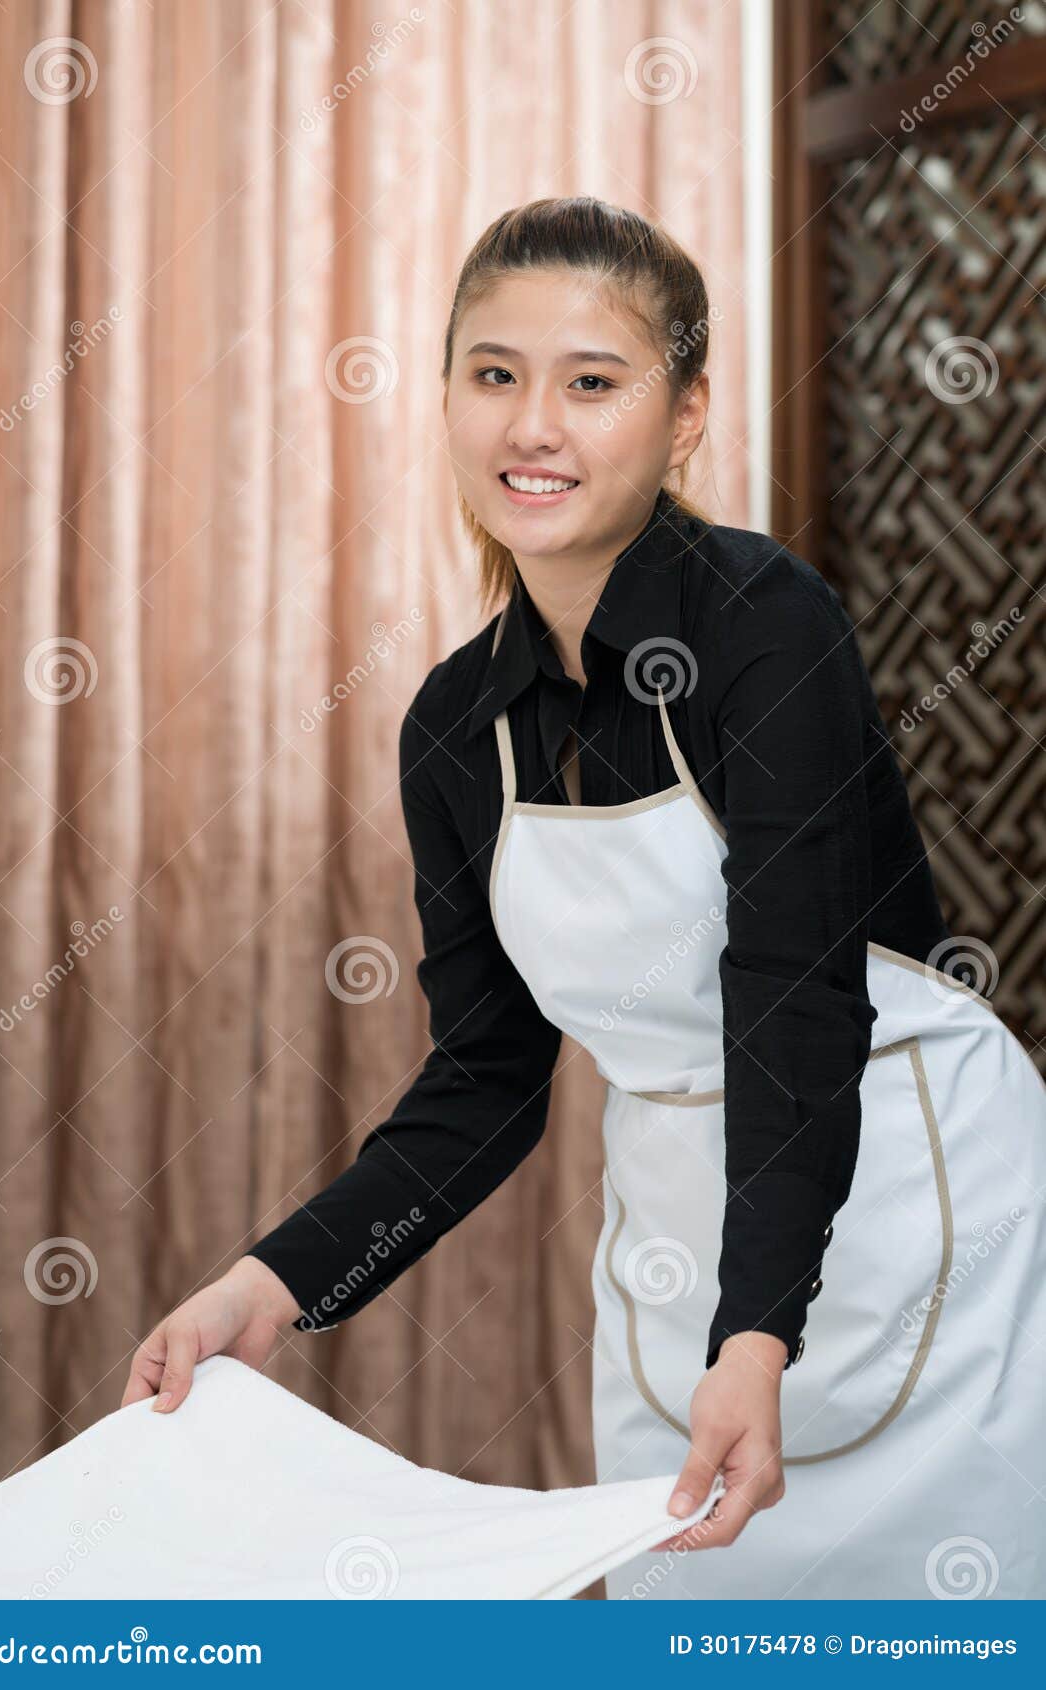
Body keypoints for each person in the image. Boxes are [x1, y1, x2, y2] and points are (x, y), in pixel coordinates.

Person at [123, 197, 1046, 1599]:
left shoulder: (766, 625)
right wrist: (268, 1286)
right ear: (446, 398)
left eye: (594, 382)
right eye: (494, 374)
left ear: (685, 419)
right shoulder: (454, 727)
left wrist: (757, 1334)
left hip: (918, 1208)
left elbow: (793, 1000)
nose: (534, 426)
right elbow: (488, 1078)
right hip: (685, 1253)